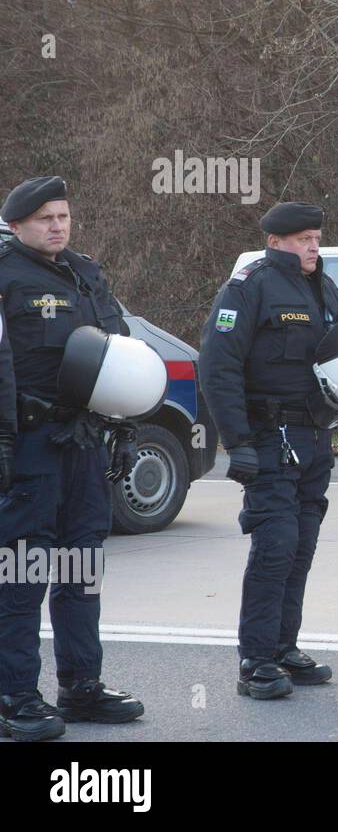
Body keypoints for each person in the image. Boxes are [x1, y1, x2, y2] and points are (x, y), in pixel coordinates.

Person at [201, 201, 338, 699]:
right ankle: (255, 661)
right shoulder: (249, 287)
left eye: (317, 238)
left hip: (313, 437)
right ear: (275, 241)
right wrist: (238, 444)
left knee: (300, 548)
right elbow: (218, 367)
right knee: (274, 548)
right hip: (268, 438)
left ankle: (283, 647)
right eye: (303, 240)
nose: (314, 247)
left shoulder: (323, 288)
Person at [0, 177, 144, 739]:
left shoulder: (87, 273)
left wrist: (124, 423)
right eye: (45, 219)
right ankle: (15, 696)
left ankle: (81, 686)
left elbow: (119, 350)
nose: (57, 226)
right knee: (22, 573)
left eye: (62, 216)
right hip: (30, 446)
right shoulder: (7, 276)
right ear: (16, 225)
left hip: (84, 444)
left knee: (82, 571)